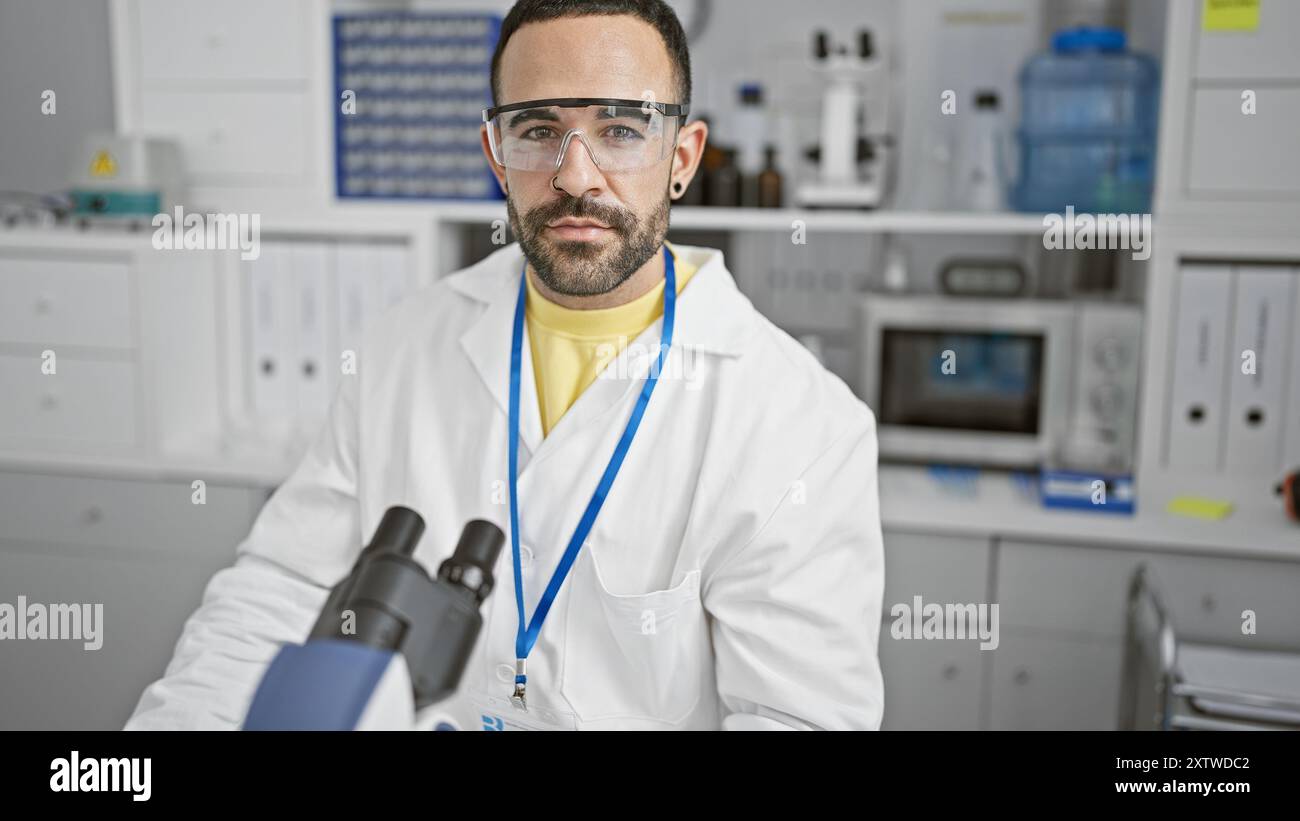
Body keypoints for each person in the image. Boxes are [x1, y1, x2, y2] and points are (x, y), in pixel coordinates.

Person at [127, 0, 884, 731]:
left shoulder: (801, 424)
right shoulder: (403, 346)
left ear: (681, 158)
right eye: (538, 129)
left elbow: (798, 718)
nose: (576, 175)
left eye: (621, 128)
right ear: (496, 153)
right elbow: (281, 592)